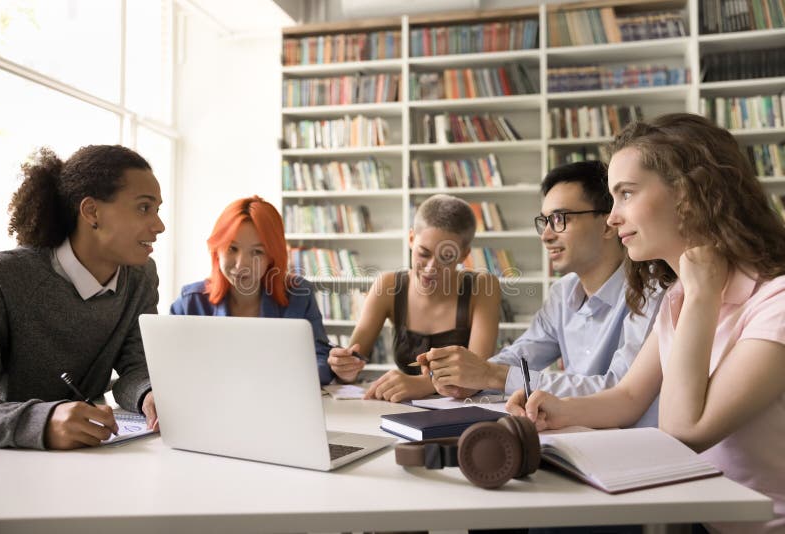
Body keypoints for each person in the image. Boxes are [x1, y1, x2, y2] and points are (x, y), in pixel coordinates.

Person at [507, 113, 785, 534]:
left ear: (689, 193)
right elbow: (630, 396)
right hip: (698, 516)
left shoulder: (773, 302)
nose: (612, 217)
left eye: (626, 194)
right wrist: (559, 411)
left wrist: (703, 295)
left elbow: (683, 432)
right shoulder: (677, 296)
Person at [418, 161, 662, 426]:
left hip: (631, 447)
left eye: (559, 219)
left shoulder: (651, 290)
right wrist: (466, 379)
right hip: (573, 436)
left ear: (607, 225)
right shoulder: (563, 293)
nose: (545, 235)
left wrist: (491, 375)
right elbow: (522, 354)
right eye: (544, 221)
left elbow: (620, 390)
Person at [0, 145, 165, 452]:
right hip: (8, 469)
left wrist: (150, 394)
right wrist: (42, 420)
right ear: (92, 212)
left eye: (157, 210)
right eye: (144, 208)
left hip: (90, 459)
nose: (159, 226)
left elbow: (136, 365)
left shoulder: (140, 276)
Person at [328, 193, 501, 402]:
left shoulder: (483, 287)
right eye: (424, 253)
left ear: (464, 255)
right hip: (402, 409)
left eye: (446, 258)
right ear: (411, 239)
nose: (431, 268)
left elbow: (477, 374)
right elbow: (351, 364)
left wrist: (422, 384)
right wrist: (345, 369)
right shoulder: (388, 286)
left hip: (463, 410)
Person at [170, 196, 333, 385]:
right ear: (217, 249)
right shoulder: (191, 302)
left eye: (257, 252)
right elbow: (168, 363)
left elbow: (321, 359)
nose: (242, 265)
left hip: (276, 402)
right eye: (232, 248)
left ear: (271, 257)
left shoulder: (298, 294)